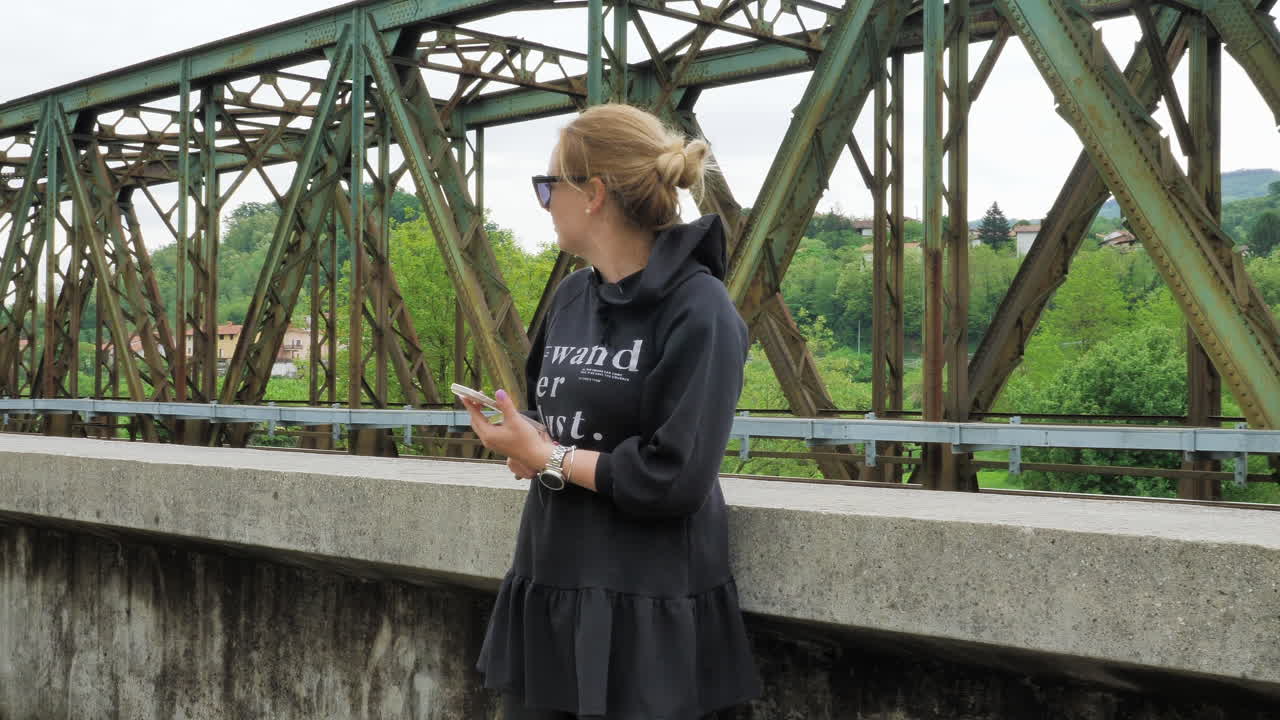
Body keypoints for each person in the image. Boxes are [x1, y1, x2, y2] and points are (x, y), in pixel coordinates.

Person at [462, 103, 762, 720]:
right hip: (553, 577)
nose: (543, 202)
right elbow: (567, 438)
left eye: (548, 186)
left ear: (593, 194)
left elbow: (673, 477)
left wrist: (549, 455)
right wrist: (529, 447)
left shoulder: (699, 310)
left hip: (647, 606)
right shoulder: (573, 296)